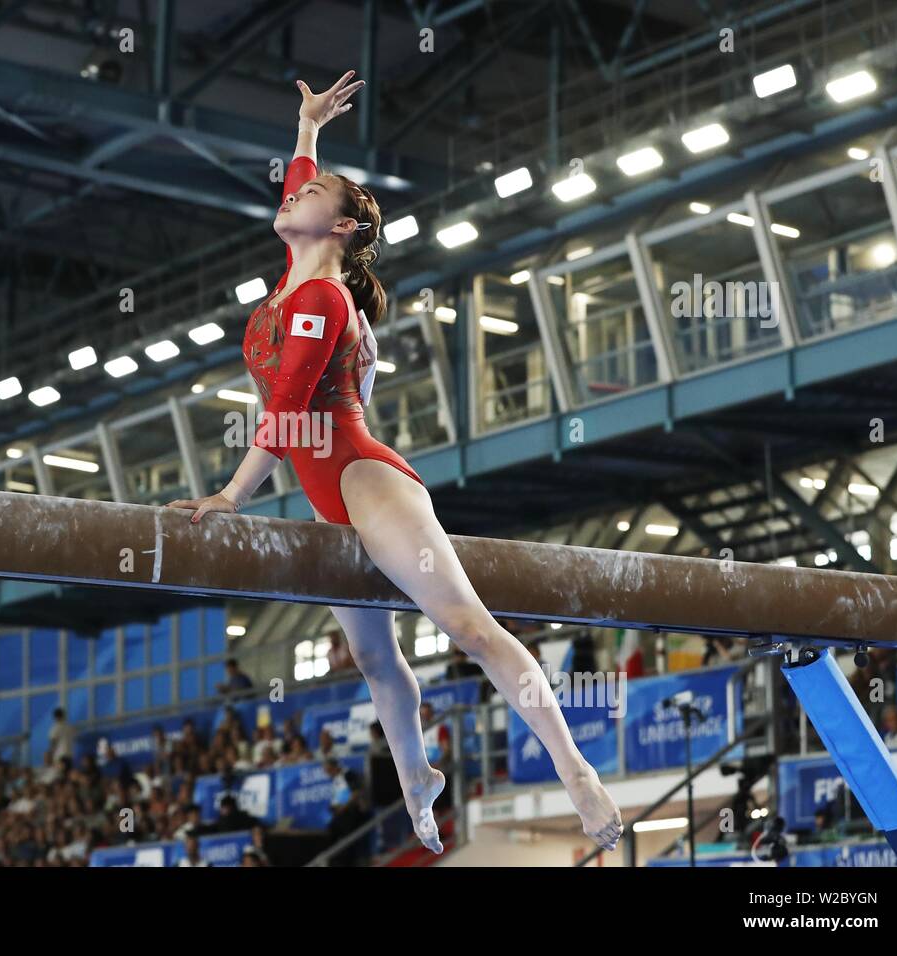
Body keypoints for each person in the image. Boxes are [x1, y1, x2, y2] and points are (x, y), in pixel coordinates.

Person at [167, 69, 621, 856]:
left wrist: (233, 494)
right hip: (324, 491)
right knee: (375, 662)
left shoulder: (321, 301)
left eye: (307, 199)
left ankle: (575, 769)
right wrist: (308, 130)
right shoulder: (293, 282)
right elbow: (306, 179)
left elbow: (289, 409)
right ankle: (417, 776)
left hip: (362, 477)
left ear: (339, 230)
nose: (288, 196)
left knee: (469, 628)